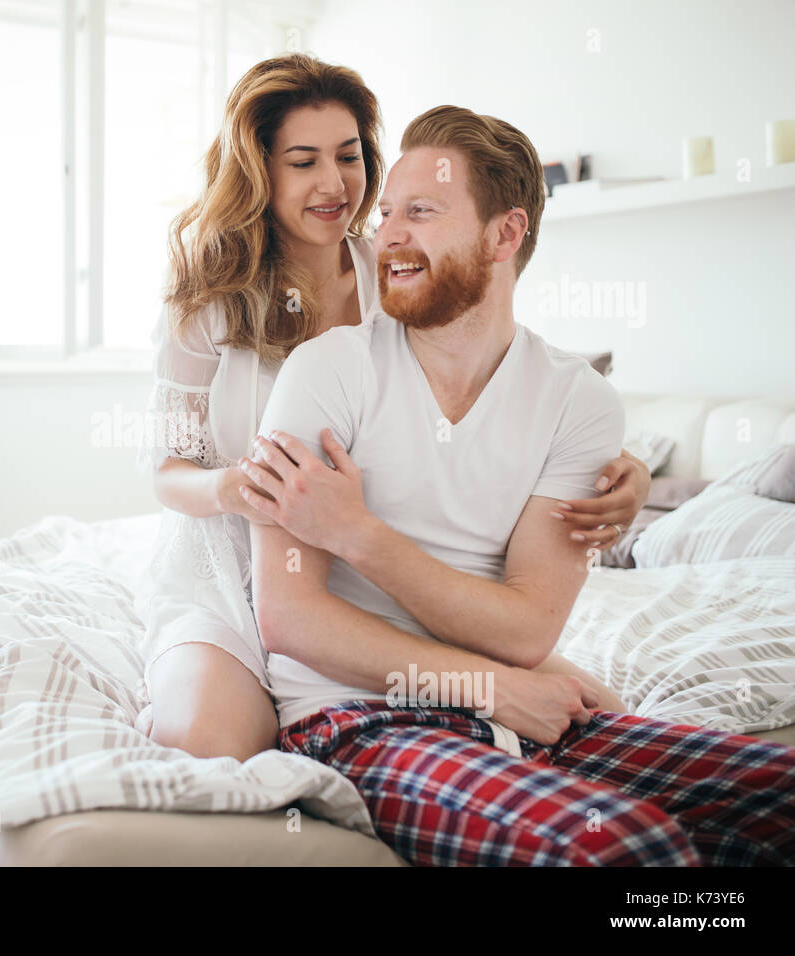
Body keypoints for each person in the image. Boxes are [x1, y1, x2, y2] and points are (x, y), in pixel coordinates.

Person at [242, 103, 795, 866]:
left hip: (519, 699)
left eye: (423, 213)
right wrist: (488, 687)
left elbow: (525, 631)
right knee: (627, 849)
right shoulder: (328, 372)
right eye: (389, 213)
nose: (388, 236)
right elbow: (291, 618)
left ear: (505, 234)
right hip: (361, 716)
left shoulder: (578, 402)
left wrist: (359, 534)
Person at [135, 53, 650, 763]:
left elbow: (489, 385)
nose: (333, 183)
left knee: (615, 725)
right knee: (212, 745)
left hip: (361, 581)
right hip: (234, 570)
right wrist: (235, 488)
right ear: (260, 172)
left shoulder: (397, 269)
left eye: (348, 157)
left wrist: (625, 471)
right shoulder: (207, 299)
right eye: (303, 161)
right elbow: (167, 469)